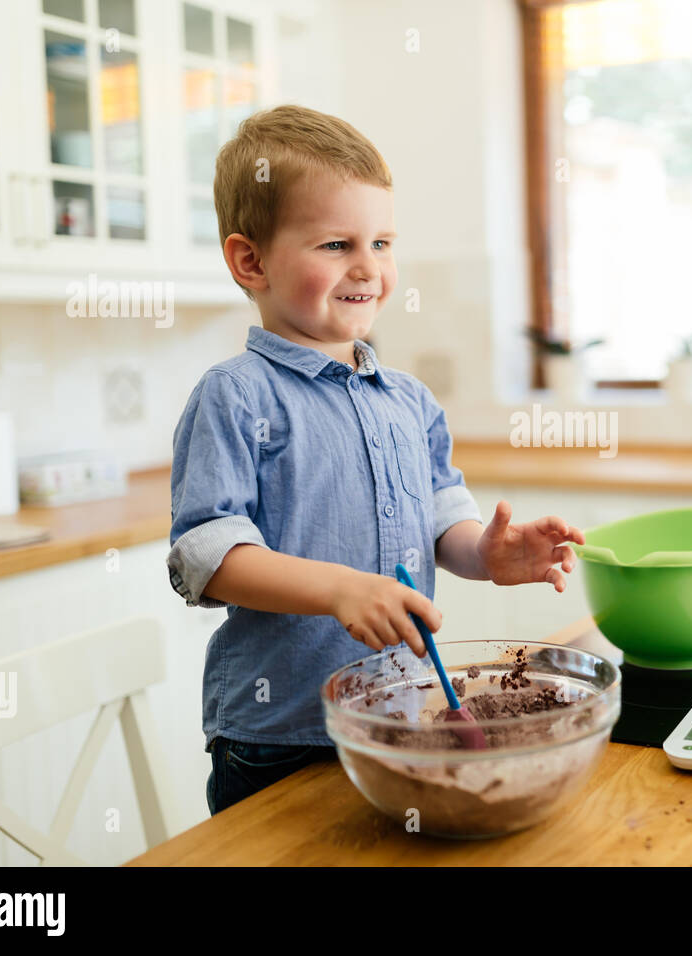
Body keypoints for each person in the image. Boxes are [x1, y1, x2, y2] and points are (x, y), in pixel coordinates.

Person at [168, 105, 584, 816]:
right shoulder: (233, 396)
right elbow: (207, 557)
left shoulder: (409, 399)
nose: (368, 267)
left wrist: (486, 555)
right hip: (279, 737)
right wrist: (339, 589)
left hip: (396, 717)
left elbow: (440, 515)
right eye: (336, 244)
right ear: (251, 260)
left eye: (382, 242)